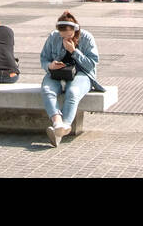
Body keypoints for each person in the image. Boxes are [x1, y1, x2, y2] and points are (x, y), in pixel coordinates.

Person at [39, 11, 103, 146]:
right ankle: (57, 123)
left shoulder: (86, 37)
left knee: (72, 91)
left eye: (69, 35)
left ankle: (65, 126)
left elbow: (91, 64)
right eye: (63, 36)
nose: (66, 37)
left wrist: (74, 51)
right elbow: (44, 58)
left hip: (82, 74)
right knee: (47, 89)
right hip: (57, 72)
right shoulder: (53, 37)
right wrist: (50, 65)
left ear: (75, 29)